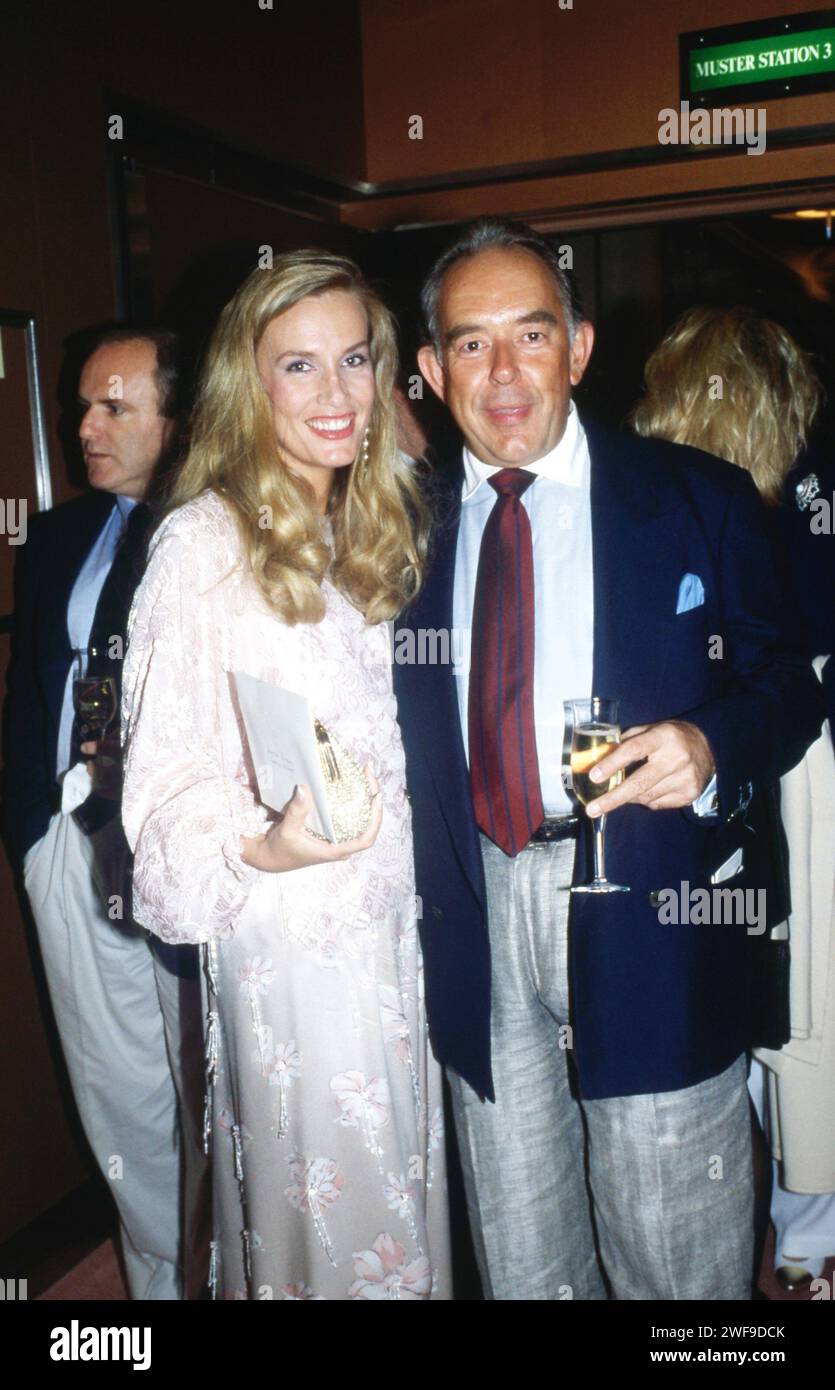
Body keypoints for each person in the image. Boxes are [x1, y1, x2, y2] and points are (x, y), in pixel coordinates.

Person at [393, 218, 825, 1300]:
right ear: (431, 368)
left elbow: (789, 683)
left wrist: (710, 739)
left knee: (672, 1237)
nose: (503, 373)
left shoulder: (696, 498)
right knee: (521, 1243)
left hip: (653, 903)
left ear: (577, 348)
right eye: (472, 343)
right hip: (474, 906)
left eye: (531, 336)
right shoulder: (398, 528)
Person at [121, 251, 452, 1301]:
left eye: (354, 359)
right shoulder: (202, 544)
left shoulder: (374, 525)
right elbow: (164, 798)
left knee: (404, 1208)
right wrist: (267, 843)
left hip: (398, 934)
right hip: (295, 947)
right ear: (246, 383)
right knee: (342, 1230)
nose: (338, 392)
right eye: (299, 366)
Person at [632, 304, 835, 1294]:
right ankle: (806, 1245)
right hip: (757, 822)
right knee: (789, 1023)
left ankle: (803, 1249)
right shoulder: (732, 520)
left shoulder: (766, 524)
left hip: (790, 809)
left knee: (796, 1019)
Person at [3, 327, 208, 1299]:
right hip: (69, 849)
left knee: (208, 1095)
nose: (84, 425)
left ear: (176, 418)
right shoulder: (55, 539)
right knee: (116, 1093)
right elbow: (27, 696)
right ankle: (159, 1281)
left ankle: (225, 1272)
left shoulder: (218, 532)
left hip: (176, 849)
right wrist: (31, 829)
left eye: (113, 406)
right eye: (81, 404)